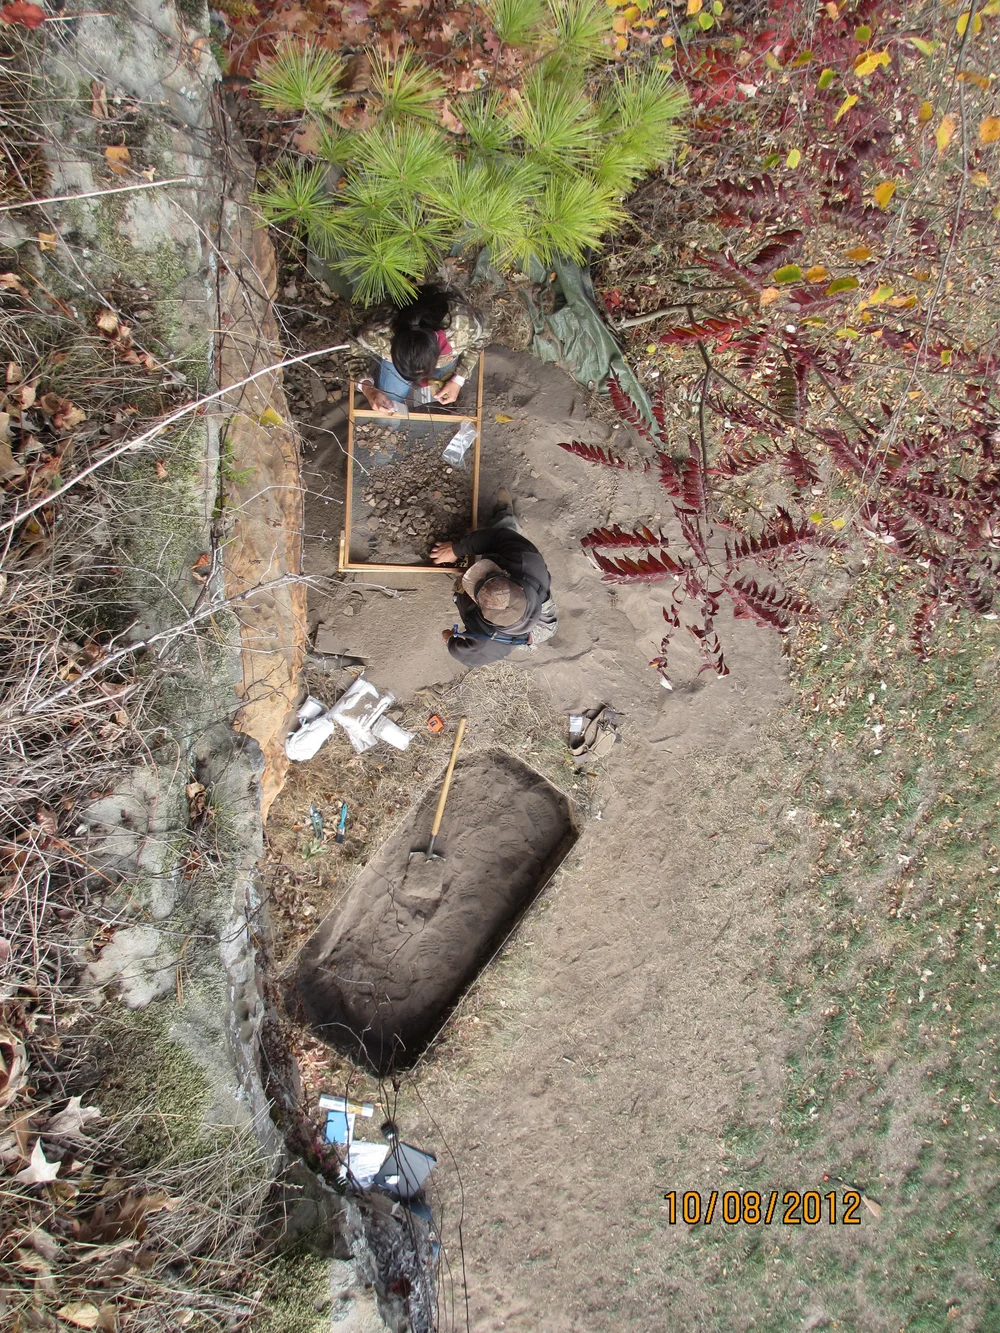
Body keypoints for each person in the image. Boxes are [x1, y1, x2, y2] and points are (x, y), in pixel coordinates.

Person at [430, 490, 557, 666]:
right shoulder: (527, 561)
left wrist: (450, 638)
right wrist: (456, 549)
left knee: (460, 590)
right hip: (543, 616)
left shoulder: (486, 646)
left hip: (536, 631)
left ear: (483, 614)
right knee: (504, 531)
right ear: (518, 586)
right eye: (491, 576)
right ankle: (503, 513)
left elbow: (452, 642)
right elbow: (499, 538)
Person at [346, 284, 489, 414]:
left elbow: (483, 335)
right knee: (388, 409)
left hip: (447, 356)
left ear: (438, 351)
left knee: (442, 386)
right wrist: (368, 390)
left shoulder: (462, 327)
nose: (419, 378)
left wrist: (459, 379)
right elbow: (354, 353)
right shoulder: (377, 334)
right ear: (392, 348)